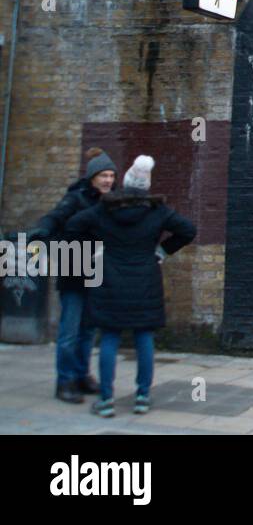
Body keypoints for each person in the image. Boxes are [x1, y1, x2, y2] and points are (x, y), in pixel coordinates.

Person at [65, 155, 196, 418]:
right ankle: (142, 397)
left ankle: (106, 399)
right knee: (144, 338)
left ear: (125, 183)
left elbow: (73, 226)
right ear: (146, 185)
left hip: (111, 280)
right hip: (145, 281)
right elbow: (188, 230)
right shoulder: (158, 211)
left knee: (110, 338)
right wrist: (161, 250)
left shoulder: (105, 209)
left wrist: (97, 246)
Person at [28, 147, 115, 404]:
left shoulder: (110, 201)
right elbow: (54, 218)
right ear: (92, 177)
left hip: (96, 269)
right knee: (69, 330)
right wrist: (41, 231)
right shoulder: (76, 198)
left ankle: (81, 375)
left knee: (88, 330)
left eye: (111, 176)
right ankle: (64, 381)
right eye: (103, 176)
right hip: (74, 267)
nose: (108, 180)